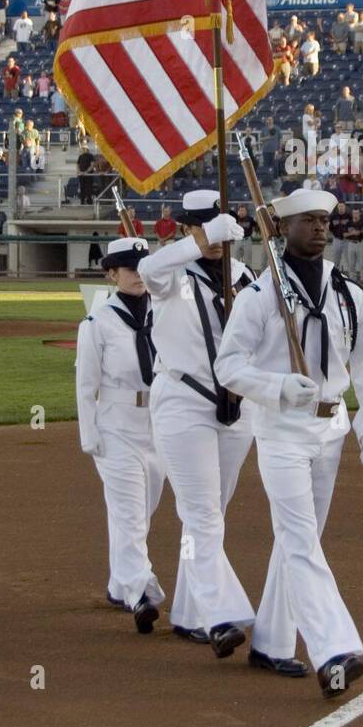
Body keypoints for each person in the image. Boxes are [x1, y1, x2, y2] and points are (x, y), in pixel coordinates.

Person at [216, 189, 363, 697]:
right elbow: (227, 366)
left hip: (330, 430)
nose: (319, 227)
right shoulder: (258, 297)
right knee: (300, 540)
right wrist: (275, 388)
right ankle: (334, 649)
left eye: (324, 219)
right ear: (282, 228)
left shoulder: (348, 295)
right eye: (308, 220)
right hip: (281, 430)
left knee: (299, 541)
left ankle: (270, 642)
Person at [137, 191, 255, 656]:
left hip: (234, 404)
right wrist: (203, 238)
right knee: (202, 513)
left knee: (210, 516)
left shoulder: (245, 276)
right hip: (184, 399)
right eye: (202, 227)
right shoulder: (171, 274)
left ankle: (188, 611)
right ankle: (219, 614)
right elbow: (147, 270)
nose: (213, 237)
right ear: (187, 228)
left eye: (219, 226)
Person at [75, 238, 166, 629]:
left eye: (143, 268)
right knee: (129, 512)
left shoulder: (163, 314)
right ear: (112, 274)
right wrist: (89, 433)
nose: (138, 276)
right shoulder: (97, 323)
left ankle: (118, 583)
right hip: (116, 424)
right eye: (130, 269)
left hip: (159, 424)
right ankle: (139, 592)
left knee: (142, 511)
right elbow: (84, 383)